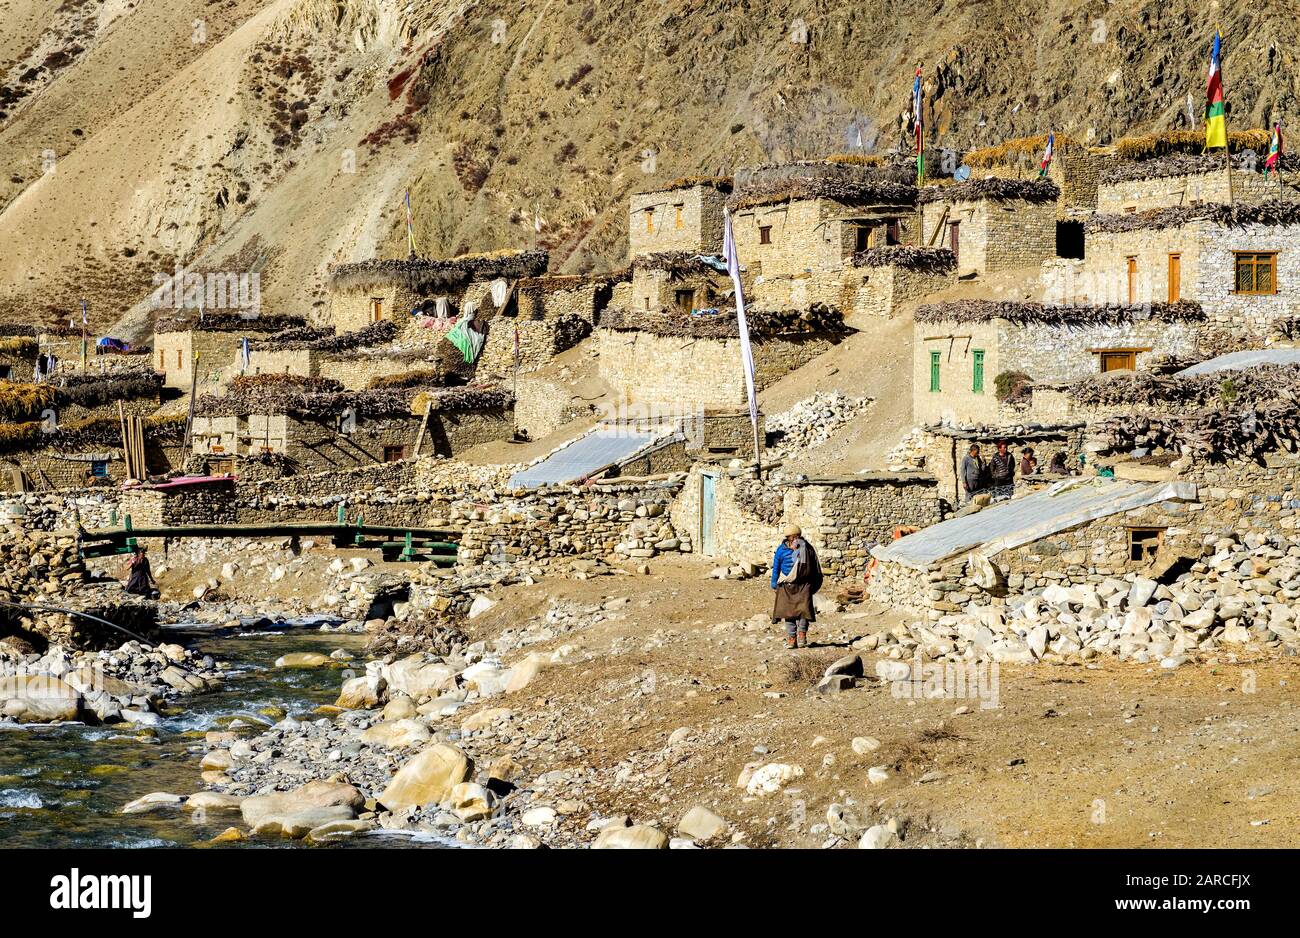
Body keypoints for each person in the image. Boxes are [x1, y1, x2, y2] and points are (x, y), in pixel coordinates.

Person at [770, 524, 823, 649]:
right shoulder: (781, 550)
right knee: (788, 613)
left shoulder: (806, 548)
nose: (796, 538)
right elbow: (776, 567)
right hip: (786, 585)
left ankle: (802, 635)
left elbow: (814, 567)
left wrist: (813, 585)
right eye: (793, 537)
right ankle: (791, 638)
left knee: (803, 612)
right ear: (788, 537)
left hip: (803, 585)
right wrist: (774, 583)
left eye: (798, 536)